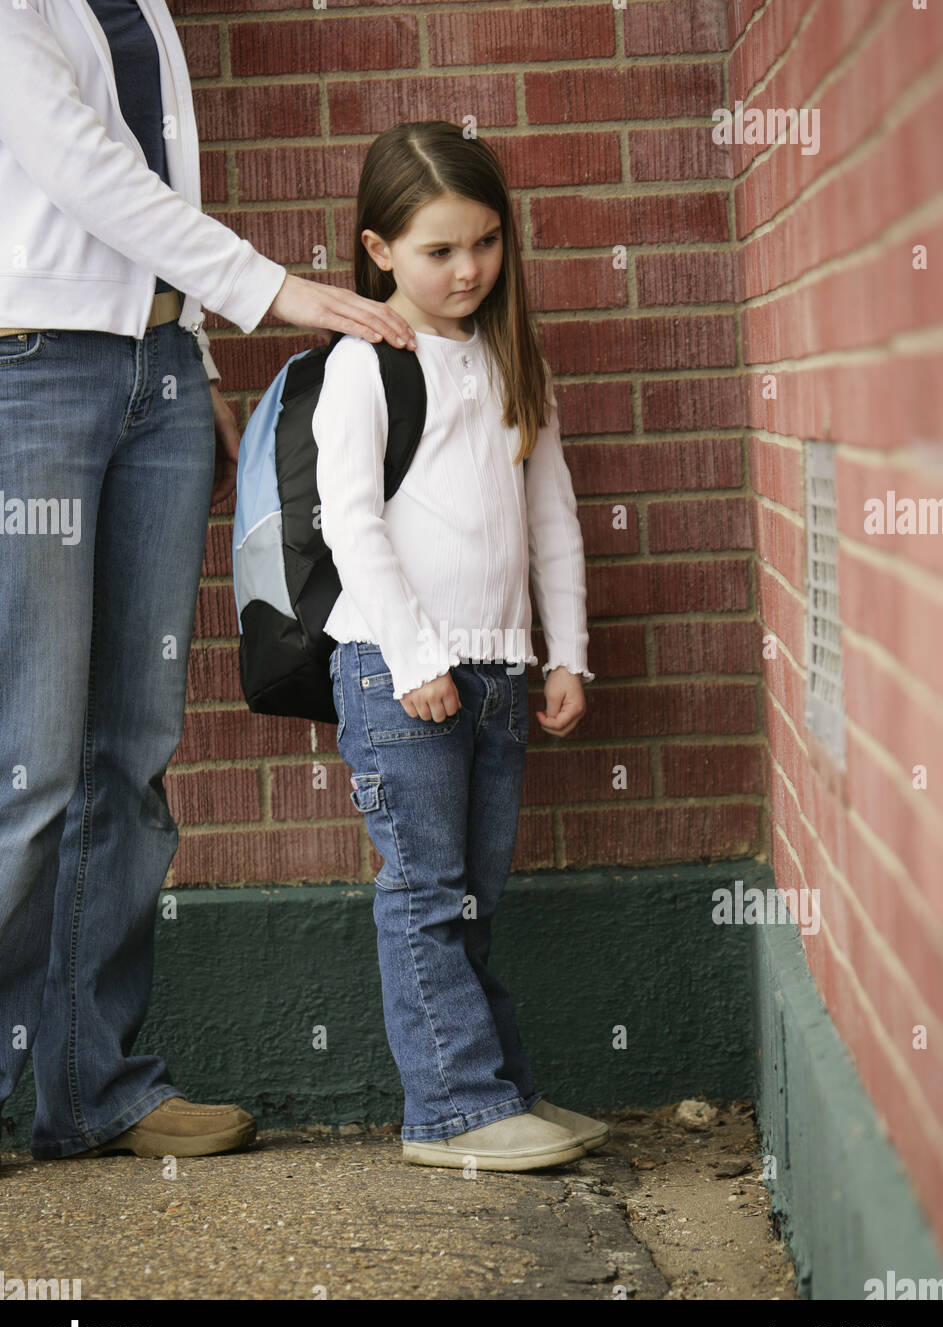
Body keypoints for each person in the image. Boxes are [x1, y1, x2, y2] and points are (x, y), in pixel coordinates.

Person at [0, 0, 416, 1163]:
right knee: (26, 764)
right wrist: (267, 288)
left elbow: (138, 187)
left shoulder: (139, 6)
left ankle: (95, 1086)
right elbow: (76, 162)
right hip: (27, 373)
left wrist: (181, 347)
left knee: (128, 753)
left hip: (160, 381)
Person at [314, 121, 607, 1171]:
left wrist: (562, 653)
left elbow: (553, 517)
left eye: (485, 242)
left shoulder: (508, 354)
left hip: (493, 670)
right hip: (402, 673)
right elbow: (351, 524)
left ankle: (503, 1091)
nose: (470, 268)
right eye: (439, 250)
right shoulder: (365, 364)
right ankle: (450, 1112)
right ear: (379, 249)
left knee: (473, 898)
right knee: (426, 895)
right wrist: (415, 656)